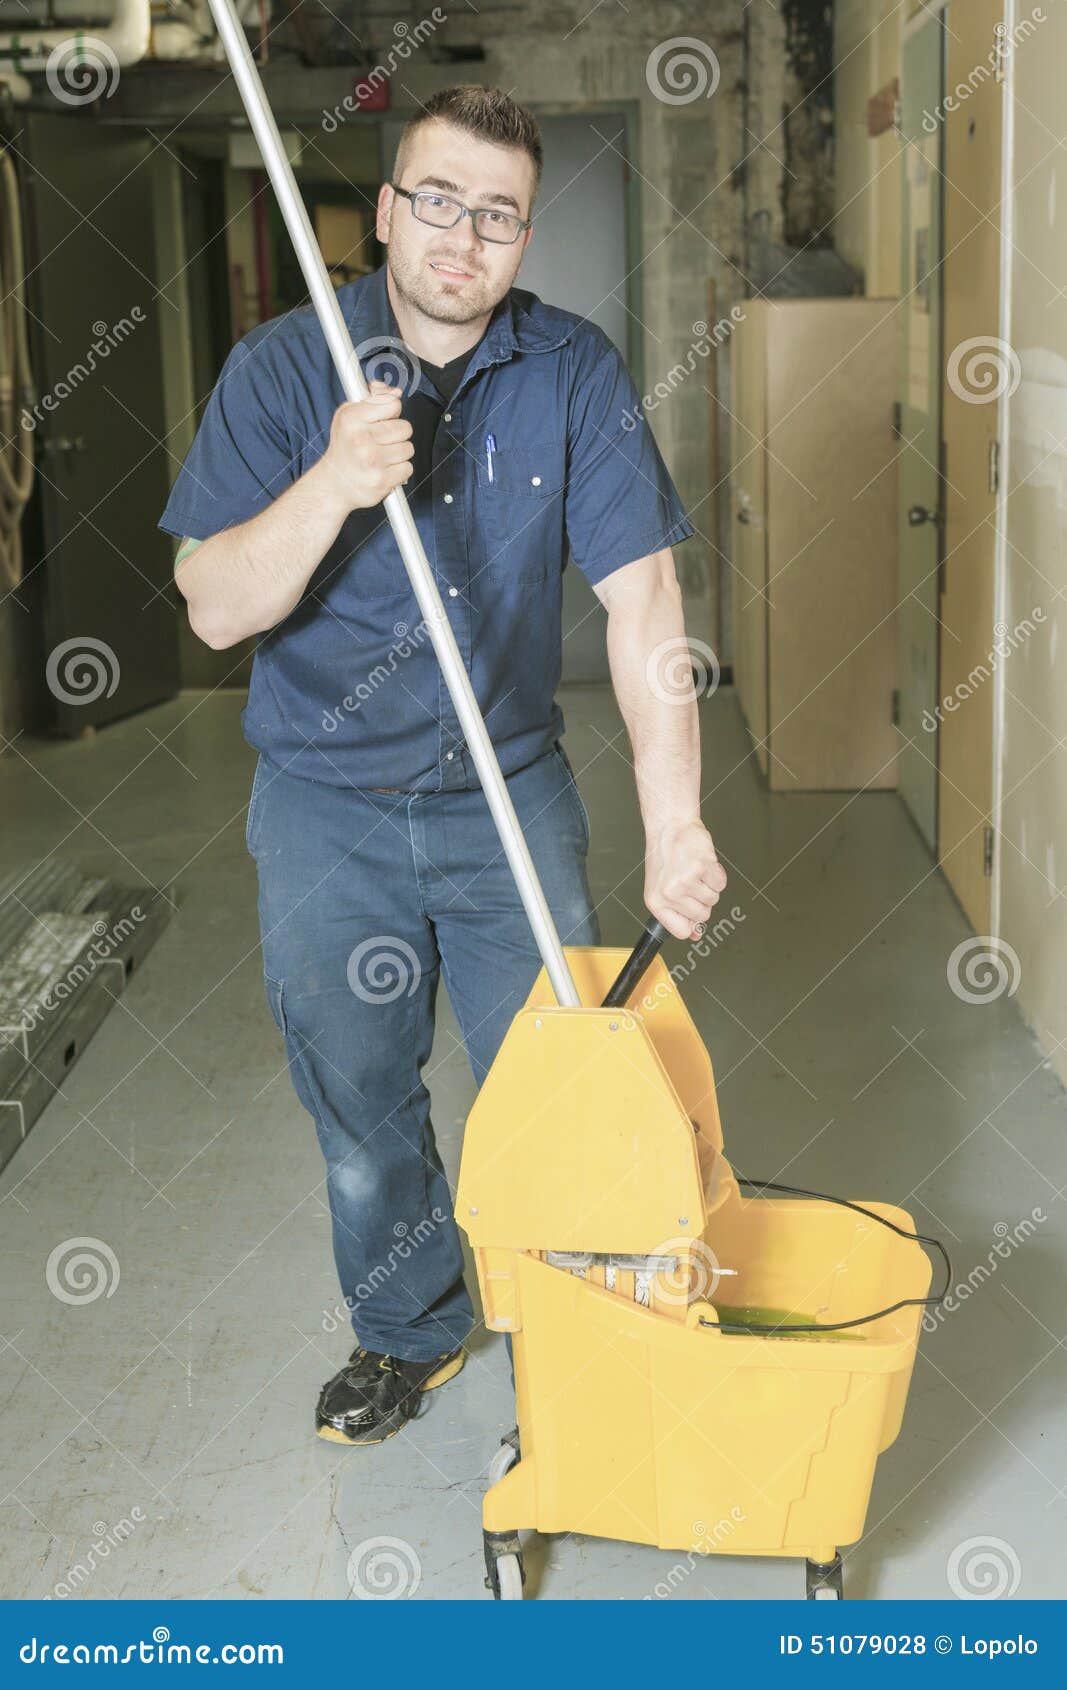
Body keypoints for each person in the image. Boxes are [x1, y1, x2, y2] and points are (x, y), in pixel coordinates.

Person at [159, 85, 726, 1447]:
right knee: (358, 1097)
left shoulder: (573, 371)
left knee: (567, 1082)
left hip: (506, 794)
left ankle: (585, 1348)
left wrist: (676, 822)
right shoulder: (290, 369)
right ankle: (411, 1329)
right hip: (323, 804)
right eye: (437, 200)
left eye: (497, 214)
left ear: (524, 236)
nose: (462, 238)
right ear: (386, 208)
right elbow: (215, 605)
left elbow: (644, 606)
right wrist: (336, 485)